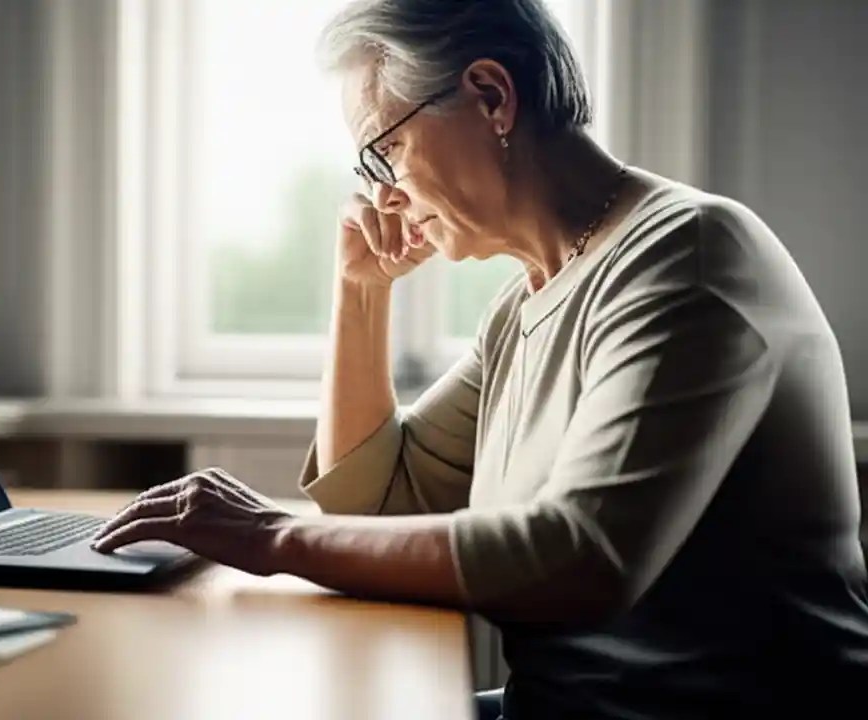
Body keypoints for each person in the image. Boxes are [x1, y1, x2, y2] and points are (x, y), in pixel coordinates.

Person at [92, 0, 868, 716]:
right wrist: (358, 293)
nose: (386, 194)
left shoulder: (688, 257)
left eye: (385, 149)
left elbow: (581, 557)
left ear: (492, 96)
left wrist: (271, 536)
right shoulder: (531, 299)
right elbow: (375, 500)